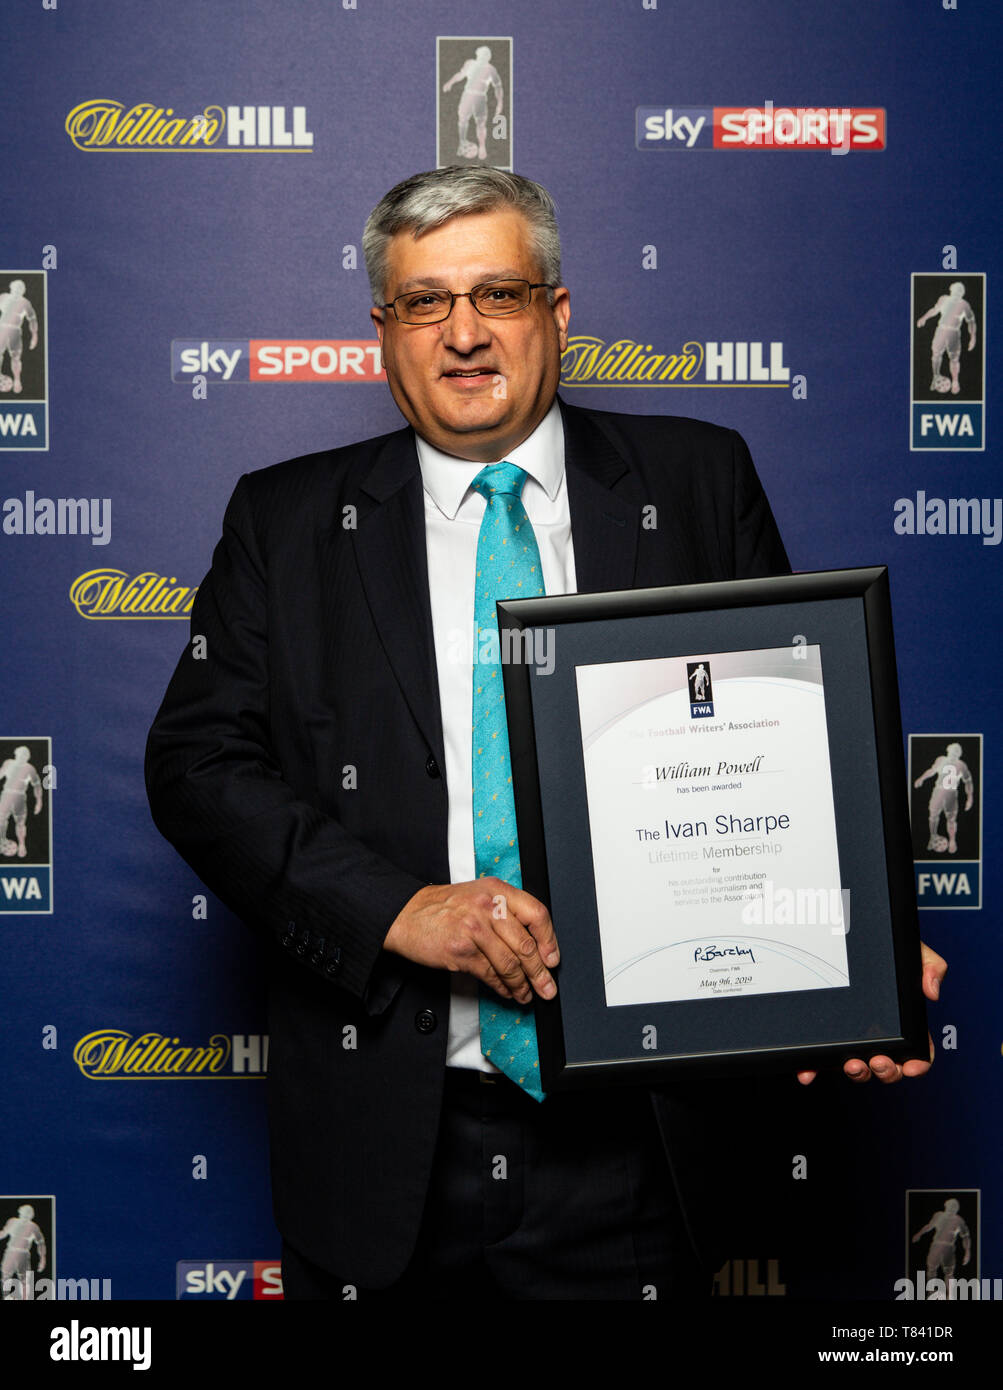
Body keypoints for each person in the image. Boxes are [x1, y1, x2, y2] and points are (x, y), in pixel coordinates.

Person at [146, 167, 945, 1300]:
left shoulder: (693, 478)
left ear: (556, 314)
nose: (463, 334)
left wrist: (852, 951)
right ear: (382, 331)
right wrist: (399, 908)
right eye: (425, 303)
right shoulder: (282, 521)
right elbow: (196, 769)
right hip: (386, 1144)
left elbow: (788, 741)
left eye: (499, 295)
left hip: (638, 1144)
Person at [916, 281, 976, 396]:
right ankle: (935, 376)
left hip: (953, 333)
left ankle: (955, 381)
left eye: (961, 291)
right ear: (951, 290)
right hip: (941, 331)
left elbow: (971, 322)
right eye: (956, 290)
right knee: (936, 354)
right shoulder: (944, 299)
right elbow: (934, 310)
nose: (958, 293)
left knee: (954, 358)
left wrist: (972, 337)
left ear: (963, 293)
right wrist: (924, 318)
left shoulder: (964, 305)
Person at [914, 742, 974, 853]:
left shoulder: (961, 765)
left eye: (957, 752)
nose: (954, 754)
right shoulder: (941, 759)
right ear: (948, 751)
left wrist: (970, 797)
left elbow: (968, 781)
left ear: (959, 754)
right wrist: (921, 778)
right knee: (933, 815)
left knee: (951, 819)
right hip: (939, 791)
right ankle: (932, 837)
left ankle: (952, 840)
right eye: (953, 751)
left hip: (951, 793)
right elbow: (932, 771)